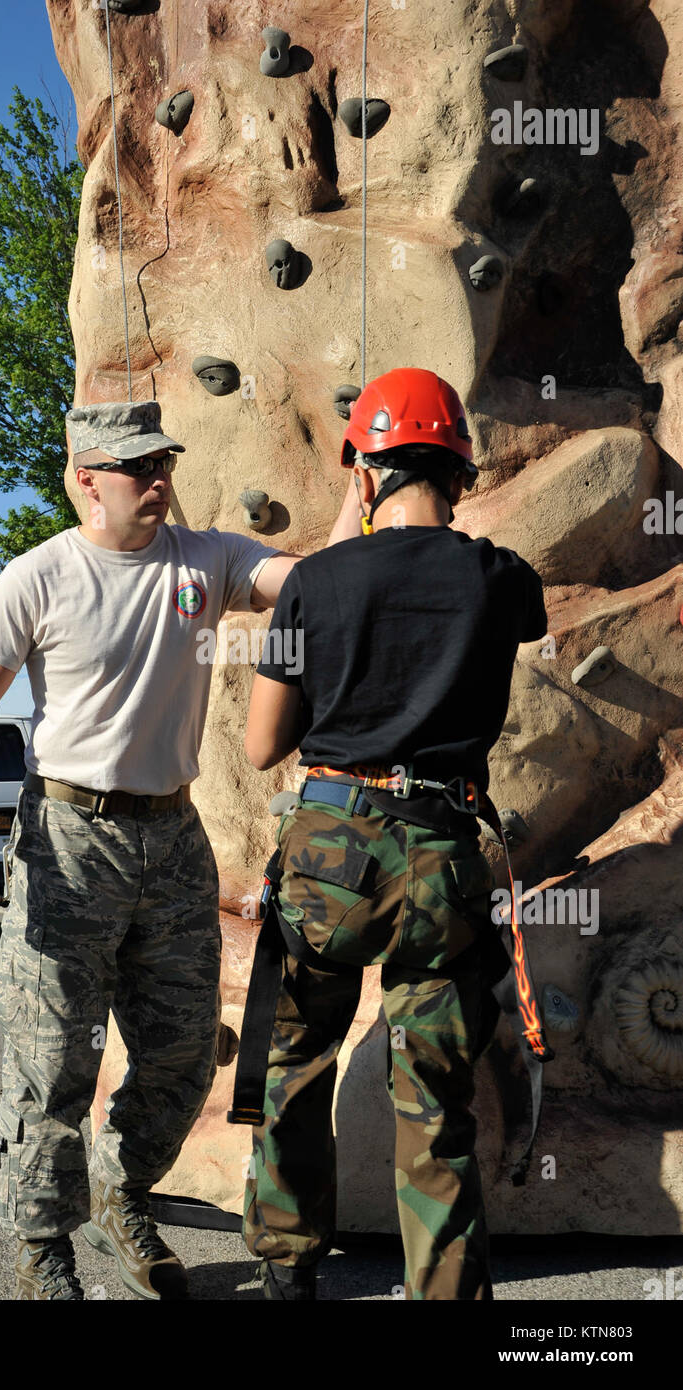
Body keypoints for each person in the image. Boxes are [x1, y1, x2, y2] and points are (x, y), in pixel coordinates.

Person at [0, 398, 359, 1301]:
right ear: (87, 479)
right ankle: (42, 1249)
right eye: (137, 466)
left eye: (163, 462)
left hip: (171, 835)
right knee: (51, 1060)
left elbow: (319, 582)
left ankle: (120, 1189)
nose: (158, 479)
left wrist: (359, 477)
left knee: (181, 1051)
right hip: (66, 837)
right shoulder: (38, 575)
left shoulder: (206, 558)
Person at [238, 367, 548, 1301]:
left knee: (295, 1063)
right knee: (434, 1097)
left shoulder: (312, 584)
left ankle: (287, 1269)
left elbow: (262, 746)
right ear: (461, 473)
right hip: (440, 857)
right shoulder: (503, 579)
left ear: (362, 474)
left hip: (329, 851)